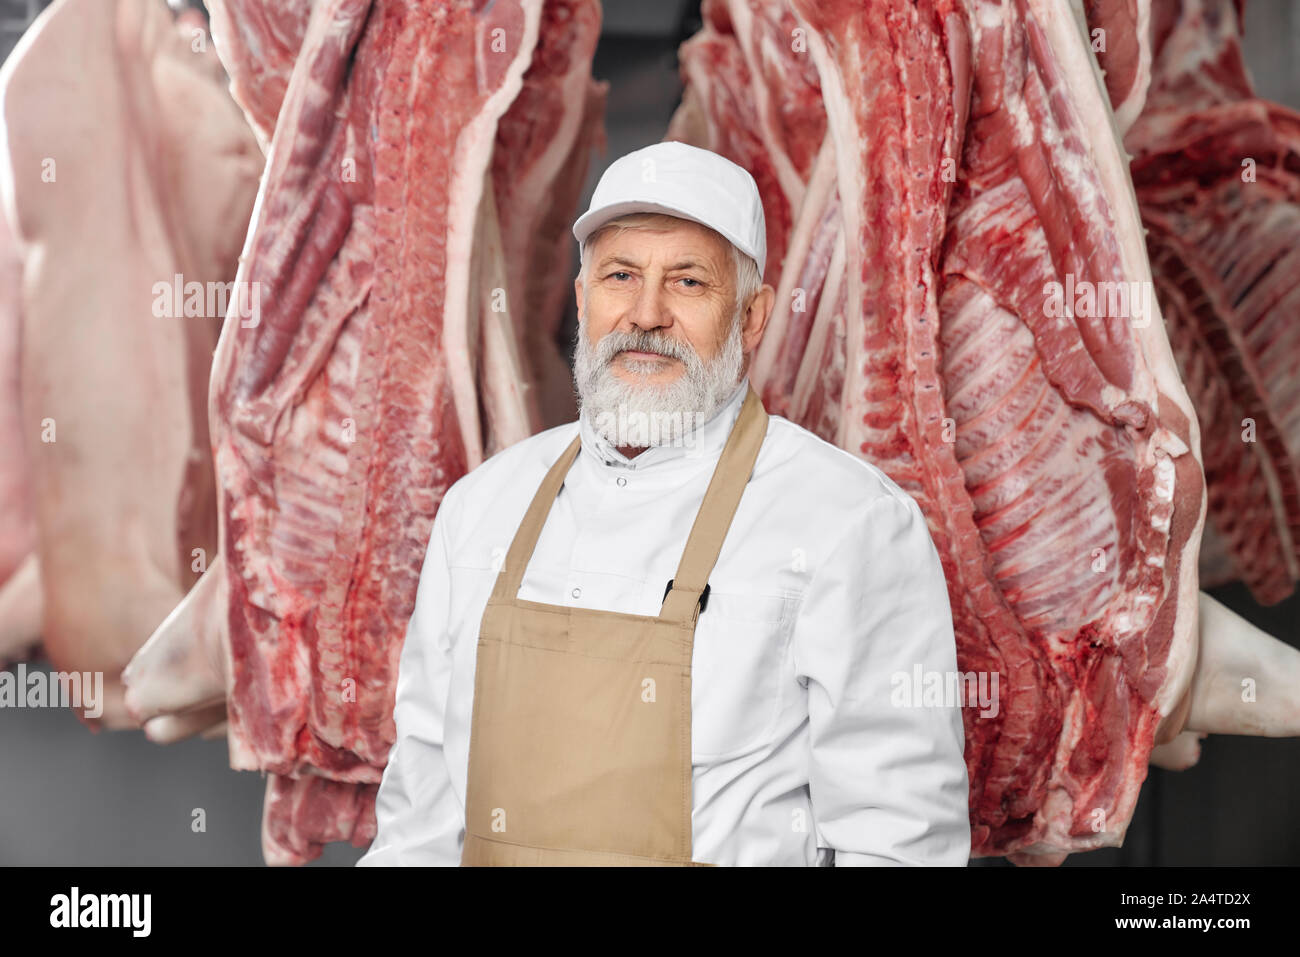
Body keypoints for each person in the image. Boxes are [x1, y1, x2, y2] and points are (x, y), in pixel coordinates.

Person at [358, 140, 970, 866]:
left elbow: (897, 840)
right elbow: (417, 828)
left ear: (751, 317)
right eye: (621, 276)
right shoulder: (480, 510)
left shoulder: (852, 523)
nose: (646, 314)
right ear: (583, 299)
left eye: (687, 282)